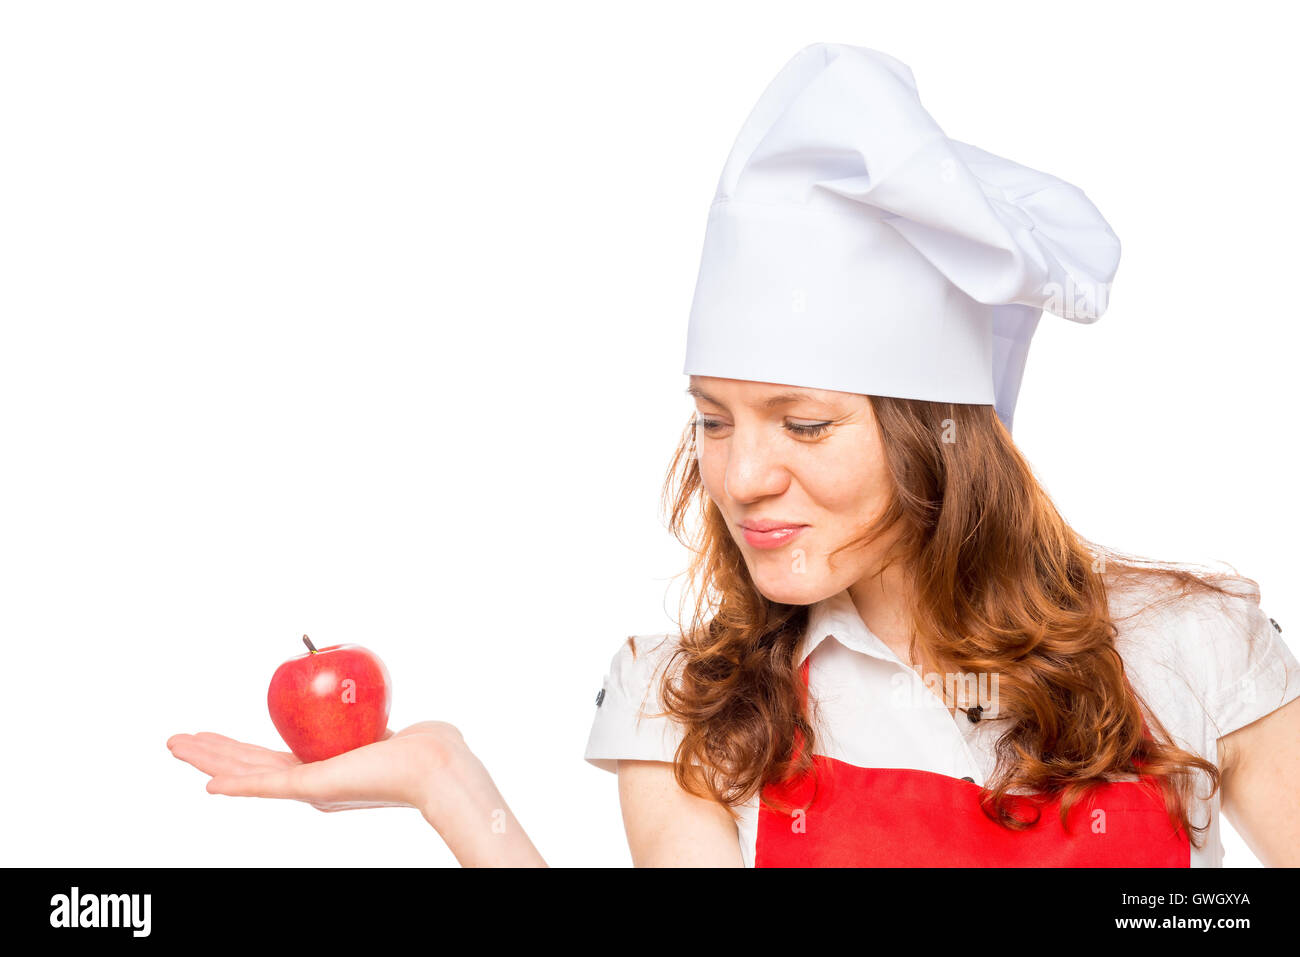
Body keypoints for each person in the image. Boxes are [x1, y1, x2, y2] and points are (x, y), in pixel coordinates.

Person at [166, 42, 1300, 867]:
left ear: (941, 443)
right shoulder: (691, 708)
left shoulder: (1188, 647)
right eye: (714, 420)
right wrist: (447, 783)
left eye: (803, 425)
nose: (742, 477)